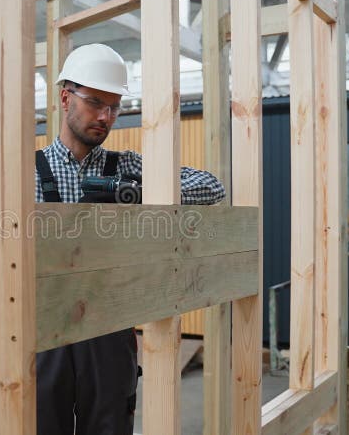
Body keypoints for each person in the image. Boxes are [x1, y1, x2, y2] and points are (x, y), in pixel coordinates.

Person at [34, 44, 225, 435]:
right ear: (65, 97)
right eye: (96, 103)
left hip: (110, 326)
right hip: (45, 329)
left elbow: (212, 187)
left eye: (115, 106)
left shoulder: (125, 167)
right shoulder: (29, 172)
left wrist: (141, 193)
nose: (106, 116)